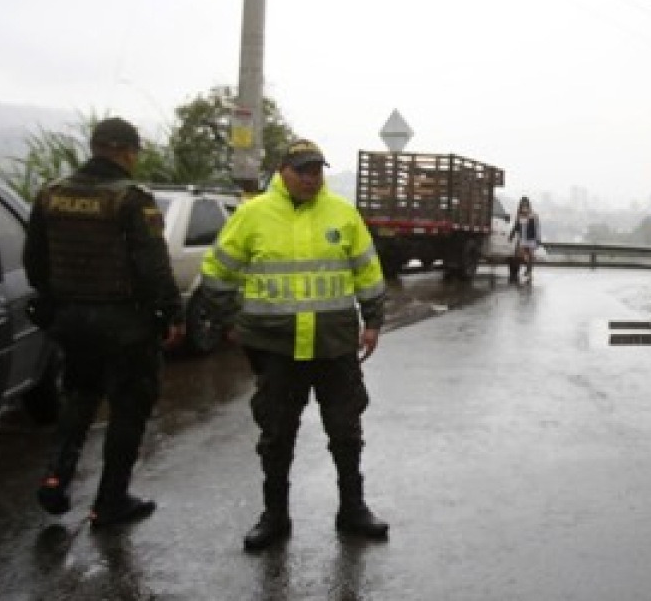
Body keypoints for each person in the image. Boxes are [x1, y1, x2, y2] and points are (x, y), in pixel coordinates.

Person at [196, 138, 390, 551]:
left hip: (334, 345)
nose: (310, 178)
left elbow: (368, 272)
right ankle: (275, 515)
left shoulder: (343, 214)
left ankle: (352, 509)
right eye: (302, 170)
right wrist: (229, 321)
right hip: (276, 347)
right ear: (282, 170)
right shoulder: (252, 215)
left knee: (346, 430)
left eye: (316, 170)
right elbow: (216, 273)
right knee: (277, 432)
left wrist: (372, 321)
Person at [25, 117, 184, 528]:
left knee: (78, 397)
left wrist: (59, 301)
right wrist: (170, 313)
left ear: (94, 147)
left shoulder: (50, 195)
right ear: (128, 152)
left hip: (71, 322)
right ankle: (111, 501)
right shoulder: (132, 199)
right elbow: (153, 265)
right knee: (129, 409)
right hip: (125, 325)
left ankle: (56, 478)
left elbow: (34, 263)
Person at [508, 196, 541, 282]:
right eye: (522, 205)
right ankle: (528, 268)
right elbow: (516, 226)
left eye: (526, 205)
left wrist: (538, 238)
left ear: (528, 205)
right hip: (523, 238)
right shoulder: (519, 215)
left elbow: (537, 227)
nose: (524, 207)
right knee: (523, 254)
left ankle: (528, 271)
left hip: (531, 238)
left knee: (530, 254)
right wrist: (511, 235)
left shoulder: (533, 215)